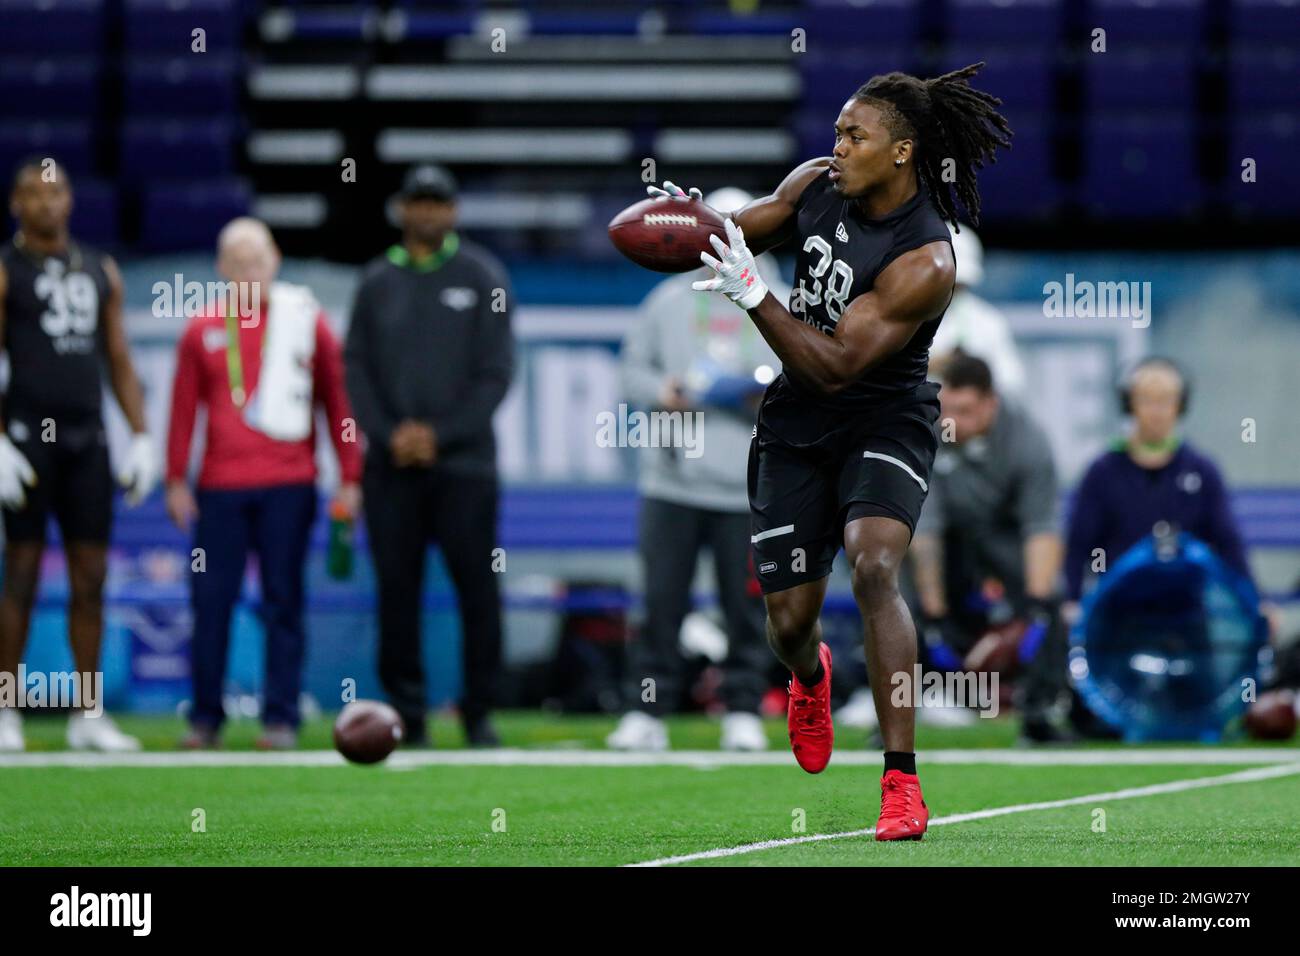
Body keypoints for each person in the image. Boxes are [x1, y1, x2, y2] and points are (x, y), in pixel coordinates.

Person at [673, 62, 1011, 840]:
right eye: (837, 131)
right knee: (790, 620)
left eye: (855, 135)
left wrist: (753, 294)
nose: (838, 146)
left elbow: (832, 363)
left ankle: (901, 782)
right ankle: (808, 675)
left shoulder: (927, 258)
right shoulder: (818, 182)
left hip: (883, 418)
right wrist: (679, 223)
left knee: (873, 563)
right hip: (797, 425)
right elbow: (732, 233)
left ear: (901, 152)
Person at [165, 217, 362, 750]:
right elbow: (183, 409)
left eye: (258, 259)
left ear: (274, 261)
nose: (249, 269)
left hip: (289, 484)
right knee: (211, 601)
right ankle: (205, 719)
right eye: (238, 261)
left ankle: (281, 718)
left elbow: (338, 405)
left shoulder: (305, 321)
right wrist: (173, 479)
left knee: (284, 601)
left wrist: (350, 475)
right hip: (220, 487)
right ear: (222, 268)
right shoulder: (201, 327)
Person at [607, 188, 783, 753]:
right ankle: (646, 710)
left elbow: (803, 367)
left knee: (746, 605)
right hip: (672, 479)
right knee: (661, 600)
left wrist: (762, 392)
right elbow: (631, 373)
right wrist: (664, 391)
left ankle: (743, 707)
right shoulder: (667, 298)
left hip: (745, 482)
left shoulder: (772, 291)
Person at [345, 164, 514, 748]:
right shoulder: (375, 282)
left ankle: (479, 712)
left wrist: (437, 436)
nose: (427, 213)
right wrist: (390, 434)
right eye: (417, 202)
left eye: (437, 203)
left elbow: (495, 375)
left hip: (465, 467)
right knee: (397, 591)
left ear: (453, 213)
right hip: (391, 468)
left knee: (478, 588)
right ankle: (406, 716)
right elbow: (356, 371)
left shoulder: (483, 275)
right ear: (400, 210)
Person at [0, 158, 158, 752]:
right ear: (16, 203)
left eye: (57, 190)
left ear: (70, 198)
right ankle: (6, 709)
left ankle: (87, 713)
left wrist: (140, 434)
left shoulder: (99, 268)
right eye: (34, 193)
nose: (47, 202)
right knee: (19, 573)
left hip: (87, 438)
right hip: (26, 440)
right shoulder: (6, 269)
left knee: (90, 576)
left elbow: (117, 357)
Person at [907, 353, 1071, 743]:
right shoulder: (926, 433)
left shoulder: (1028, 440)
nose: (951, 421)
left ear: (990, 405)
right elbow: (924, 530)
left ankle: (1039, 715)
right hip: (946, 539)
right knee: (895, 598)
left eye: (964, 411)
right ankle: (894, 718)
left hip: (1005, 534)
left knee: (1050, 605)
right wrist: (933, 613)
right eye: (946, 409)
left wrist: (1034, 602)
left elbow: (1040, 529)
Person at [1064, 357, 1253, 604]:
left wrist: (1254, 601)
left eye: (1165, 399)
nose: (1156, 411)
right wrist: (1072, 601)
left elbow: (1229, 545)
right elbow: (1079, 547)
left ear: (1180, 405)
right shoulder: (1102, 473)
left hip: (1187, 611)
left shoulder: (1203, 472)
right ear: (1129, 404)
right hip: (1118, 614)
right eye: (1146, 399)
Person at [927, 222, 1026, 399]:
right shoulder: (897, 314)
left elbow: (1010, 385)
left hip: (970, 422)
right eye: (946, 281)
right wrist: (928, 367)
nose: (951, 289)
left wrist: (972, 375)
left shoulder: (988, 322)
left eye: (958, 284)